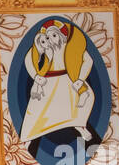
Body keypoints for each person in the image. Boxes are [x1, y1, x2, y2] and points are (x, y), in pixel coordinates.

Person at [18, 18, 97, 151]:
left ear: (61, 35)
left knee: (82, 100)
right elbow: (28, 60)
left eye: (54, 35)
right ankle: (27, 138)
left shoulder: (72, 46)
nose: (51, 39)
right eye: (48, 37)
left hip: (68, 79)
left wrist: (80, 79)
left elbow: (87, 60)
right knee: (35, 110)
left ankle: (80, 125)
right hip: (49, 81)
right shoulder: (45, 47)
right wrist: (36, 77)